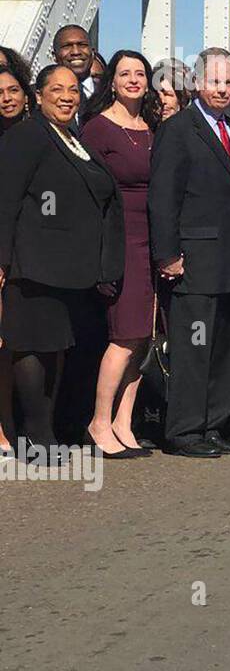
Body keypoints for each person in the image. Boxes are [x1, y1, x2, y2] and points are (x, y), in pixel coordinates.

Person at [0, 64, 124, 464]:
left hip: (67, 270)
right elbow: (6, 201)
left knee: (54, 350)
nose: (67, 96)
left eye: (73, 89)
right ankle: (34, 438)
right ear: (38, 95)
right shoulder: (27, 136)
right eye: (56, 89)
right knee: (32, 349)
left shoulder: (71, 137)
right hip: (31, 265)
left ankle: (46, 432)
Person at [150, 48, 230, 457]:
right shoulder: (178, 130)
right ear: (196, 83)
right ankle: (184, 431)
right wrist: (168, 254)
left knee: (226, 349)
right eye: (215, 82)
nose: (223, 90)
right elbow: (163, 197)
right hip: (195, 261)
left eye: (229, 82)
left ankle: (213, 424)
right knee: (194, 347)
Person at [79, 50, 162, 457]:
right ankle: (98, 421)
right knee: (125, 333)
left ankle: (122, 422)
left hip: (154, 236)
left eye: (140, 73)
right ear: (111, 80)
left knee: (146, 335)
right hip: (120, 235)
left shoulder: (152, 126)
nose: (133, 79)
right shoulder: (97, 128)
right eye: (125, 73)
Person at [0, 48, 34, 455]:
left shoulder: (35, 135)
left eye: (13, 89)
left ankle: (10, 425)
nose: (6, 97)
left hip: (23, 255)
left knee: (10, 348)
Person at [53, 24, 94, 98]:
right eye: (67, 46)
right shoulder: (35, 96)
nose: (76, 52)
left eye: (82, 45)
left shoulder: (111, 93)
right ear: (55, 56)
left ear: (93, 52)